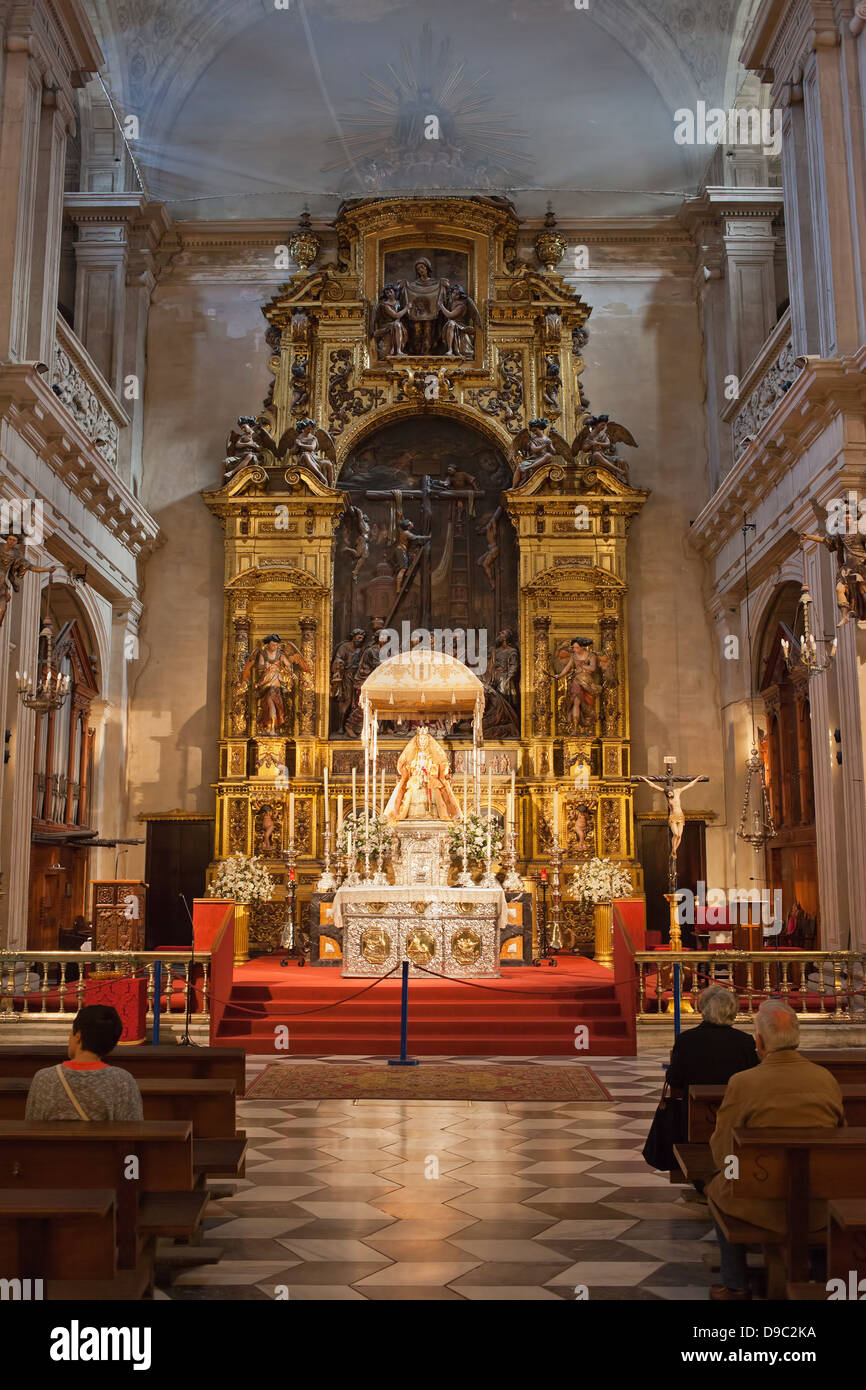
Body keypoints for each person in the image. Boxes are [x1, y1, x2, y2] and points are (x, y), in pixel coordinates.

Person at [706, 999, 844, 1301]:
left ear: (759, 1041)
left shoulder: (744, 1082)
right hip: (817, 1203)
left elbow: (722, 1149)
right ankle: (822, 1275)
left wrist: (731, 1176)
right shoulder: (825, 1078)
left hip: (759, 1204)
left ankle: (735, 1284)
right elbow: (840, 1136)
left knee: (716, 1187)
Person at [643, 985, 757, 1180]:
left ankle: (703, 1183)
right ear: (733, 1011)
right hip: (736, 1117)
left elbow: (675, 1080)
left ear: (703, 1009)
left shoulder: (687, 1040)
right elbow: (754, 1076)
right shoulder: (745, 1042)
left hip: (693, 1119)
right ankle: (727, 1179)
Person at [25, 1004, 143, 1122]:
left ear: (78, 1036)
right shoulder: (123, 1081)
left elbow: (31, 1126)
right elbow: (134, 1130)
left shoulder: (44, 1078)